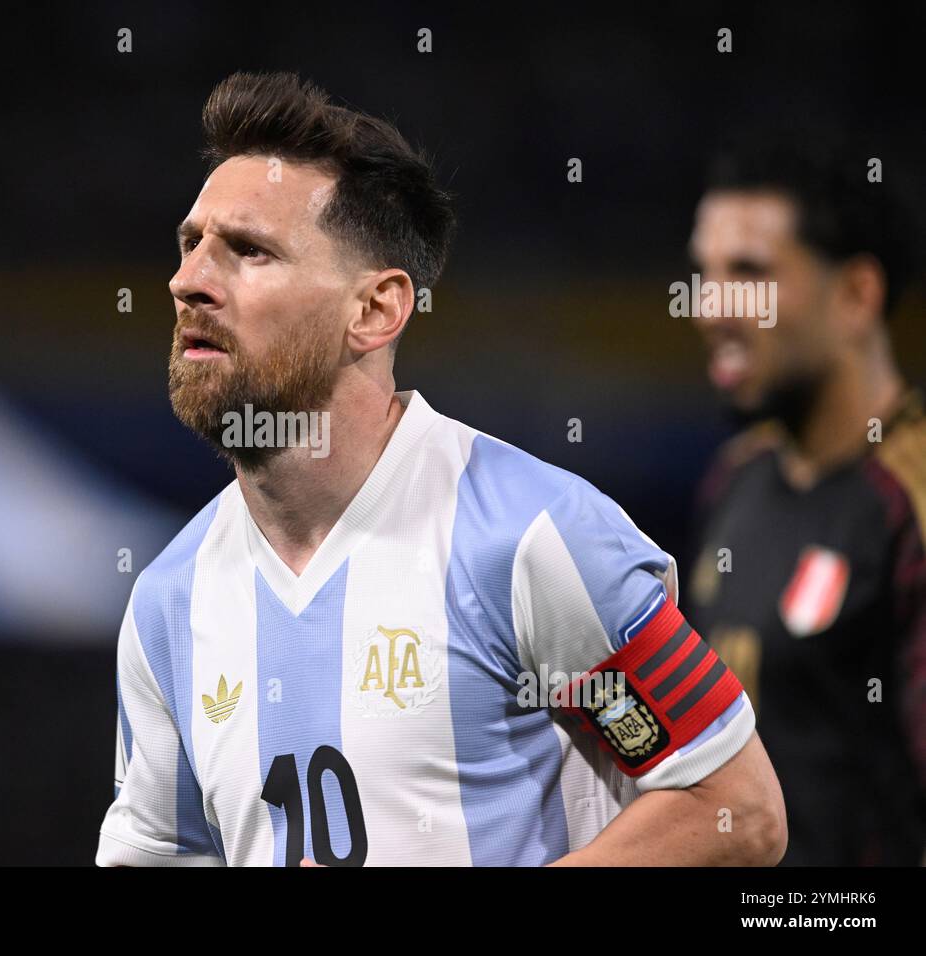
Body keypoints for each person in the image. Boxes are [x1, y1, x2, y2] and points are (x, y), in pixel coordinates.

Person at [96, 71, 785, 866]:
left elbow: (735, 806)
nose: (187, 282)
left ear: (376, 310)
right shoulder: (169, 605)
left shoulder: (529, 539)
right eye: (191, 245)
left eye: (248, 251)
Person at [685, 132, 926, 865]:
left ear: (857, 294)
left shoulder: (908, 500)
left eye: (749, 272)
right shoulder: (737, 477)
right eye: (703, 272)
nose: (710, 307)